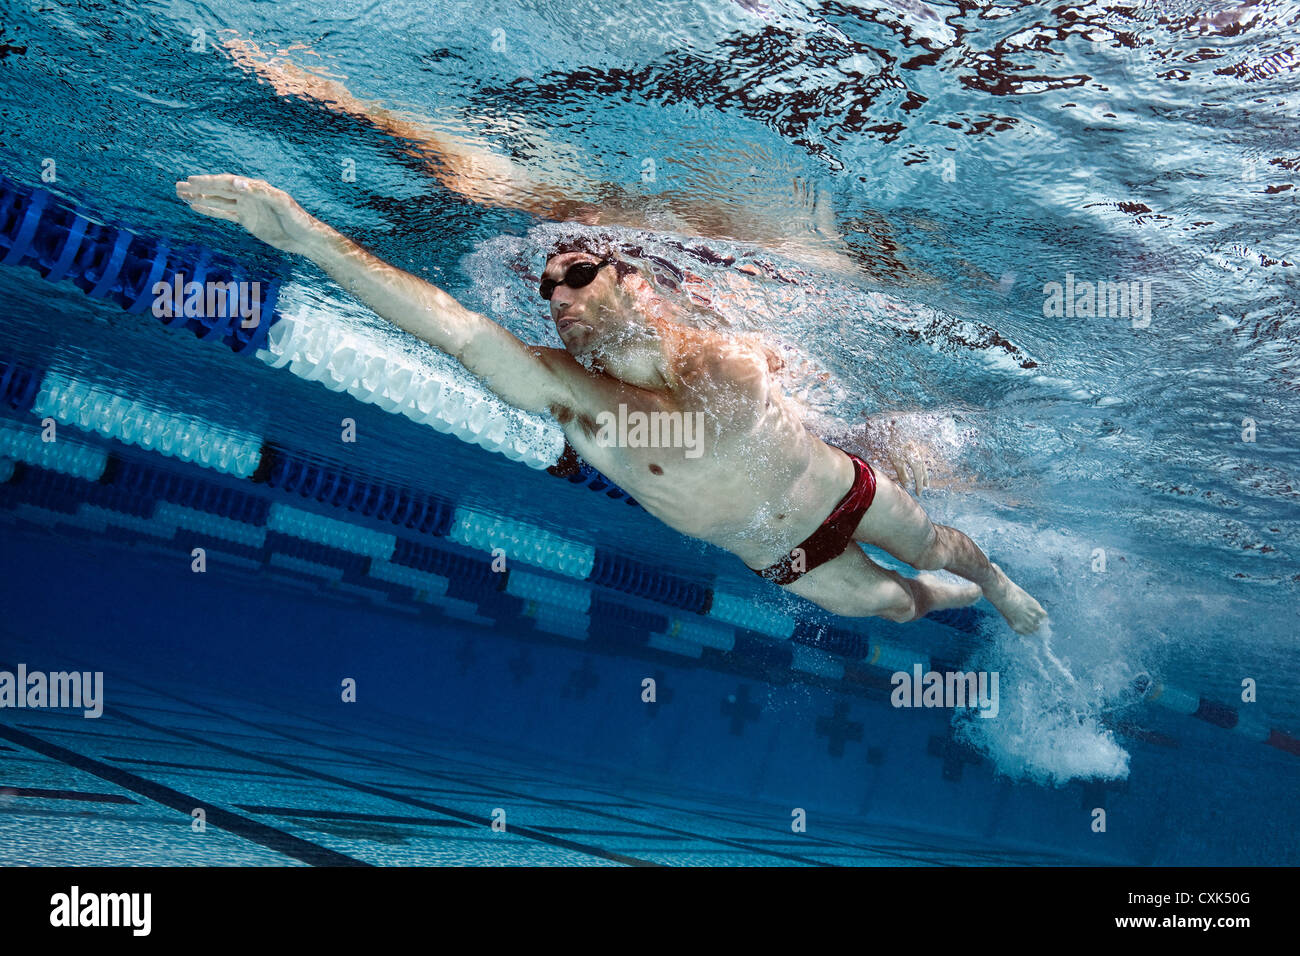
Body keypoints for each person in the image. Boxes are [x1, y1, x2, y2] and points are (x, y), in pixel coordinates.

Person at [176, 173, 1047, 633]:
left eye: (577, 273)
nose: (556, 294)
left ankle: (997, 585)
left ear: (630, 278)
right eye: (547, 285)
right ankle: (955, 598)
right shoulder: (576, 397)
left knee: (936, 541)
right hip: (781, 558)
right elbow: (460, 334)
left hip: (841, 490)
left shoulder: (719, 343)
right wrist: (305, 237)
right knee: (900, 605)